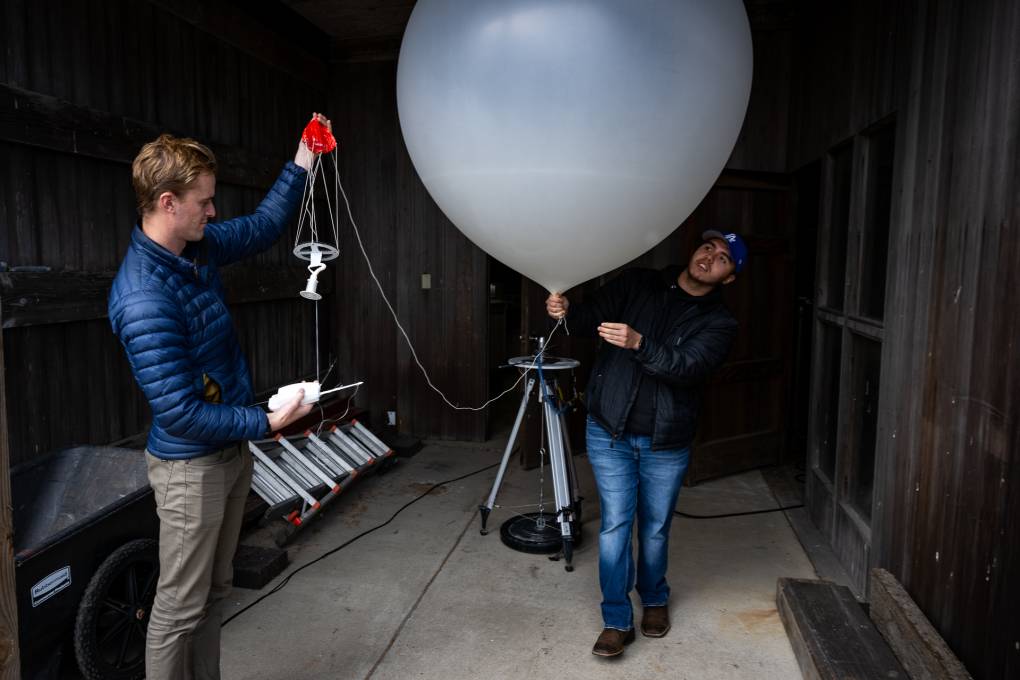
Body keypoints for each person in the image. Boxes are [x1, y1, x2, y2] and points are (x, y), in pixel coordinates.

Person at [107, 114, 331, 679]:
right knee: (178, 609)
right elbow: (180, 411)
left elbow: (262, 226)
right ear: (167, 202)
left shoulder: (194, 250)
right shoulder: (143, 298)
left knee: (215, 592)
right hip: (190, 470)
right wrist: (266, 420)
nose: (213, 211)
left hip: (228, 454)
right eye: (203, 201)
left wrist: (303, 158)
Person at [545, 230, 747, 658]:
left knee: (654, 529)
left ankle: (654, 599)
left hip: (666, 442)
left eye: (725, 258)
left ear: (730, 278)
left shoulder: (720, 323)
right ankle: (616, 619)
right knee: (616, 526)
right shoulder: (639, 282)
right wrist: (564, 311)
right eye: (708, 246)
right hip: (609, 431)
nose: (711, 256)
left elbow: (688, 367)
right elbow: (588, 319)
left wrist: (639, 343)